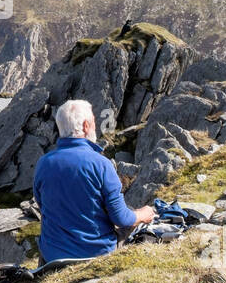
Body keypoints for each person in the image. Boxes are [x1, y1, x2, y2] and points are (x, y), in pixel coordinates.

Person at [33, 99, 155, 263]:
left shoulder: (43, 164)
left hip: (54, 257)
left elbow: (42, 206)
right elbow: (121, 219)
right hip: (95, 253)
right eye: (93, 122)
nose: (95, 127)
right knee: (138, 221)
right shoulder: (101, 164)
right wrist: (142, 214)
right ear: (85, 126)